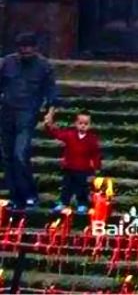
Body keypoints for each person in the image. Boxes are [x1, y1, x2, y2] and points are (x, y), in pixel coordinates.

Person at [0, 33, 56, 208]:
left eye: (28, 48)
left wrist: (50, 113)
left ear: (35, 48)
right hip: (7, 112)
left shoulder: (44, 66)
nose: (25, 51)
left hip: (28, 113)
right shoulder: (7, 63)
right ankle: (16, 196)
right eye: (22, 48)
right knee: (7, 156)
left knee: (20, 154)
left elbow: (51, 92)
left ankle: (30, 193)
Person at [40, 108, 100, 214]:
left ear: (90, 125)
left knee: (82, 188)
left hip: (83, 169)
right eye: (80, 123)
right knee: (66, 187)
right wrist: (48, 125)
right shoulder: (70, 135)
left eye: (86, 123)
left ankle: (82, 204)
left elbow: (95, 155)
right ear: (76, 123)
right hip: (69, 167)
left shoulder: (92, 139)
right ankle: (63, 202)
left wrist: (95, 168)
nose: (83, 125)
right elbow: (57, 134)